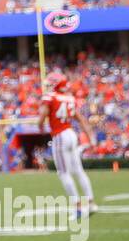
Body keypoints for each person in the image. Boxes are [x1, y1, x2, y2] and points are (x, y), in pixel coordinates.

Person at [38, 70, 98, 218]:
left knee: (64, 173)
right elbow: (81, 119)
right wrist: (90, 136)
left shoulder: (51, 97)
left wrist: (41, 128)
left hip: (60, 136)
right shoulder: (69, 98)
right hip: (71, 134)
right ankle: (91, 203)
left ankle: (78, 208)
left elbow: (41, 118)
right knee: (78, 170)